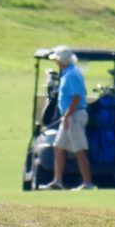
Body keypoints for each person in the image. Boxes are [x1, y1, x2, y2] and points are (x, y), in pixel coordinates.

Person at [40, 45, 95, 190]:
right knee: (59, 147)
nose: (56, 63)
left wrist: (66, 115)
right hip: (69, 115)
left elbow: (76, 97)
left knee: (78, 149)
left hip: (74, 115)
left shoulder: (72, 74)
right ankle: (57, 181)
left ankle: (87, 183)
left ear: (62, 61)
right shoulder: (67, 73)